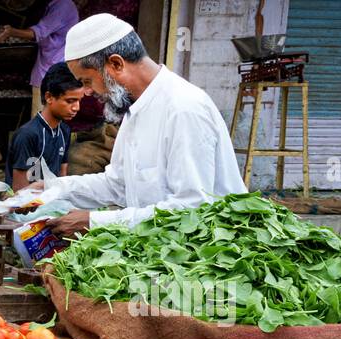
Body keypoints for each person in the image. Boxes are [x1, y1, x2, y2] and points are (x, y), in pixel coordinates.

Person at [39, 14, 246, 235]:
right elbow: (118, 184)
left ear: (116, 64)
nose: (88, 93)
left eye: (87, 81)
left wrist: (94, 221)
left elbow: (192, 209)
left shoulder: (184, 108)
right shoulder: (134, 110)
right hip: (163, 245)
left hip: (208, 252)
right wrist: (53, 189)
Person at [8, 62, 83, 190]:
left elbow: (61, 177)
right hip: (27, 205)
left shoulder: (64, 130)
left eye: (79, 101)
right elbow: (19, 192)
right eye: (70, 101)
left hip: (51, 202)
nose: (77, 107)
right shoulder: (27, 135)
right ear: (49, 97)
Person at [0, 0, 81, 115]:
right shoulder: (52, 6)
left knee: (44, 121)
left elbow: (38, 32)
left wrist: (11, 32)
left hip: (52, 74)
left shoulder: (62, 6)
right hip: (50, 70)